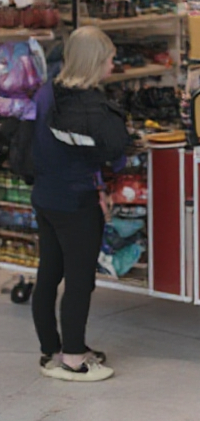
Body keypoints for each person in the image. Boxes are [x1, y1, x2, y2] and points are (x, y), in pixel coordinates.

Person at [32, 26, 130, 383]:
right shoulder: (87, 105)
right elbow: (112, 154)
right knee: (79, 281)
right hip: (76, 202)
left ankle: (52, 351)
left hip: (45, 196)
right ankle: (74, 358)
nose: (113, 64)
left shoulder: (47, 93)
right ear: (94, 62)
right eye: (110, 59)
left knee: (48, 276)